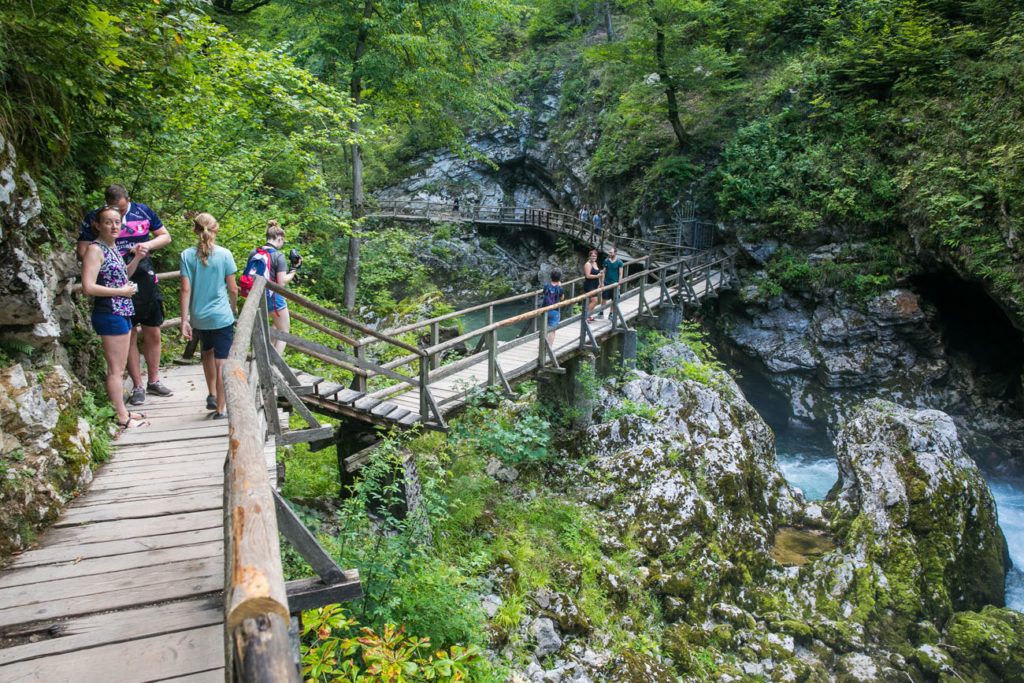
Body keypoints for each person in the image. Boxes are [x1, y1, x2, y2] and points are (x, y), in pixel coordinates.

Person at [78, 184, 173, 407]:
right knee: (125, 343)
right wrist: (102, 256)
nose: (116, 221)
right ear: (99, 223)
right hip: (111, 292)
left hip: (137, 273)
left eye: (119, 217)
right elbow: (85, 258)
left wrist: (142, 250)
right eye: (110, 218)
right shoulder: (97, 237)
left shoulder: (142, 211)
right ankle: (136, 388)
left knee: (152, 327)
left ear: (128, 200)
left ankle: (154, 380)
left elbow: (165, 236)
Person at [80, 206, 149, 429]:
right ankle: (122, 416)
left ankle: (123, 409)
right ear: (98, 225)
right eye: (108, 222)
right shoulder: (95, 250)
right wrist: (121, 292)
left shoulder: (112, 248)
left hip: (122, 310)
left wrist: (137, 258)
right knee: (116, 369)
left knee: (121, 366)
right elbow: (88, 287)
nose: (114, 226)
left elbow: (122, 275)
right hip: (110, 311)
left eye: (117, 222)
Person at [179, 213, 238, 418]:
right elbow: (233, 289)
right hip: (221, 316)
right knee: (222, 360)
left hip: (199, 317)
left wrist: (184, 319)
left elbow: (185, 290)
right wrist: (233, 308)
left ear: (195, 230)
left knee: (207, 353)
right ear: (216, 229)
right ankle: (221, 408)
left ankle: (211, 394)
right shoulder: (225, 255)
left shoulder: (186, 255)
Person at [246, 220, 301, 355]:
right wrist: (294, 270)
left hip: (257, 297)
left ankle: (264, 360)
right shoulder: (278, 256)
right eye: (283, 241)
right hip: (275, 300)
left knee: (274, 328)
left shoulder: (254, 252)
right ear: (279, 238)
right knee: (284, 332)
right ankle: (274, 365)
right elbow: (281, 282)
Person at [540, 270, 564, 350]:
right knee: (552, 330)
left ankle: (542, 346)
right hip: (554, 311)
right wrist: (560, 286)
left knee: (544, 328)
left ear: (551, 277)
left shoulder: (546, 286)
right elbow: (562, 298)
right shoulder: (559, 288)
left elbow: (544, 293)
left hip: (545, 309)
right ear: (559, 278)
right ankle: (548, 348)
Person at [601, 247, 624, 312]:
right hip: (606, 282)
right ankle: (601, 312)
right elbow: (604, 272)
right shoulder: (606, 260)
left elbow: (620, 274)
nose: (609, 253)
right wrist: (602, 282)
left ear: (615, 253)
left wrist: (619, 284)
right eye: (609, 252)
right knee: (604, 298)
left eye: (611, 252)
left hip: (615, 283)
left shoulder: (619, 262)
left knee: (614, 299)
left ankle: (611, 313)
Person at [583, 248, 603, 322]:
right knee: (595, 301)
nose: (594, 257)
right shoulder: (587, 264)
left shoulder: (595, 263)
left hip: (595, 284)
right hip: (589, 285)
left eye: (595, 256)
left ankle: (589, 315)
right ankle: (586, 316)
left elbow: (597, 272)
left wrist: (600, 282)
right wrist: (598, 276)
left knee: (594, 301)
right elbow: (587, 275)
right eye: (592, 256)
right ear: (589, 256)